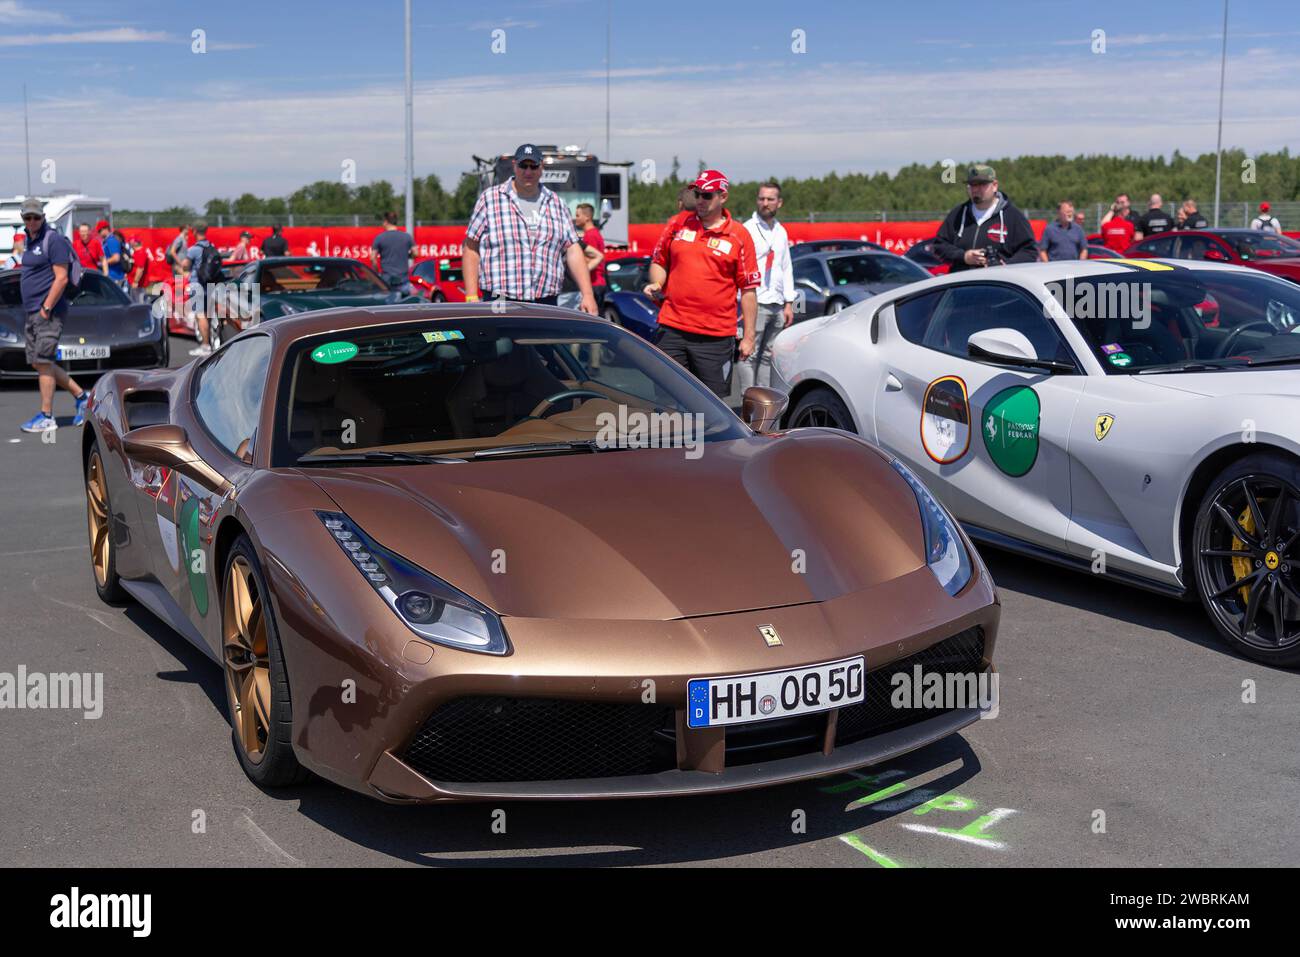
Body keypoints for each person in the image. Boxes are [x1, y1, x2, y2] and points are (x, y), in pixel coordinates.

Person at [643, 169, 758, 399]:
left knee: (711, 406)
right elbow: (659, 261)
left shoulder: (738, 235)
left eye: (707, 196)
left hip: (715, 336)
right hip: (672, 327)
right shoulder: (678, 224)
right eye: (697, 194)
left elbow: (748, 289)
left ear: (723, 196)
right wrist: (656, 282)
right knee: (666, 399)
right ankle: (672, 437)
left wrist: (749, 336)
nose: (700, 201)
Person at [462, 143, 597, 312]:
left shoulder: (556, 203)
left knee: (546, 339)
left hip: (546, 300)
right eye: (523, 166)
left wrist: (588, 294)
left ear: (541, 167)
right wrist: (471, 295)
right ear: (514, 166)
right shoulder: (490, 199)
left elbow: (573, 249)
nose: (528, 172)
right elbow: (470, 247)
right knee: (502, 340)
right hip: (500, 300)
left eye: (533, 166)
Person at [16, 198, 88, 432]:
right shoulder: (29, 240)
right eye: (28, 218)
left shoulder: (52, 240)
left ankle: (47, 416)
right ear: (23, 219)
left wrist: (46, 308)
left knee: (44, 362)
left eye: (36, 217)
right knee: (39, 362)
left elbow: (62, 277)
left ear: (43, 217)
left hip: (49, 312)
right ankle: (82, 397)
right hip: (33, 312)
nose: (32, 221)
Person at [738, 181, 795, 390]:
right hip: (755, 301)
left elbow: (785, 267)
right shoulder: (747, 229)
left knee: (768, 356)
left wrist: (789, 302)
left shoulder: (781, 231)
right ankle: (746, 404)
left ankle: (761, 404)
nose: (765, 203)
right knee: (748, 354)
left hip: (777, 304)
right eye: (761, 198)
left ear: (779, 203)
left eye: (770, 199)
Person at [932, 165, 1038, 271]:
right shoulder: (958, 214)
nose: (976, 189)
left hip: (997, 284)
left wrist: (1007, 267)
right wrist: (964, 256)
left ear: (995, 185)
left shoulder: (1012, 216)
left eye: (982, 184)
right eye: (972, 184)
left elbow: (1029, 251)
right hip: (962, 284)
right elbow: (939, 246)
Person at [186, 223, 220, 356]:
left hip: (197, 283)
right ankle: (210, 342)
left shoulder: (193, 249)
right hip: (209, 284)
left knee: (200, 315)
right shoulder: (211, 246)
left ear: (194, 231)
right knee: (207, 314)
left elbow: (185, 266)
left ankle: (205, 346)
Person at [371, 211, 415, 295]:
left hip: (386, 280)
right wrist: (408, 255)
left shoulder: (379, 238)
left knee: (389, 306)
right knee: (405, 305)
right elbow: (416, 253)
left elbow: (373, 258)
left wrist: (376, 274)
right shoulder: (407, 237)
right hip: (403, 279)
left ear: (386, 222)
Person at [573, 203, 607, 308]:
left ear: (587, 217)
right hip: (597, 282)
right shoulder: (594, 233)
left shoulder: (590, 235)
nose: (575, 219)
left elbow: (589, 259)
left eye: (578, 215)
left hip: (594, 283)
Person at [100, 221, 127, 291]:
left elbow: (116, 258)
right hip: (112, 276)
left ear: (106, 229)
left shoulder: (111, 240)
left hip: (115, 277)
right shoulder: (107, 241)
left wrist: (103, 262)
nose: (98, 233)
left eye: (100, 230)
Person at [128, 238, 148, 303]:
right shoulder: (136, 252)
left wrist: (135, 281)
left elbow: (140, 268)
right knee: (134, 302)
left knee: (139, 303)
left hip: (139, 284)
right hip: (135, 283)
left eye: (131, 242)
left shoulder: (141, 252)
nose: (130, 244)